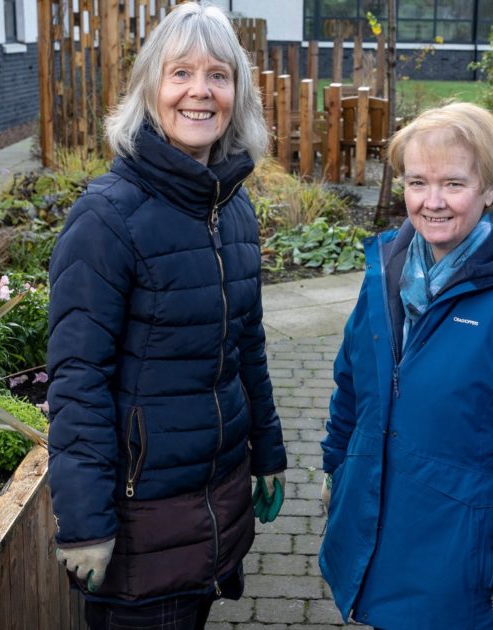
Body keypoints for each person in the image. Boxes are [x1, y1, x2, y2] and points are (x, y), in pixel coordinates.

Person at [45, 4, 287, 629]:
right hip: (139, 526)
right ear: (150, 88)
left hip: (214, 511)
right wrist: (84, 522)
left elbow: (247, 347)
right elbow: (78, 380)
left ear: (238, 93)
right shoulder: (107, 218)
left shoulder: (232, 210)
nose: (199, 91)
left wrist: (267, 451)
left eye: (218, 75)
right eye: (180, 73)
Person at [318, 102, 493, 630]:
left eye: (453, 184)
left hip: (460, 559)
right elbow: (352, 381)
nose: (433, 202)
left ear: (490, 188)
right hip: (382, 533)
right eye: (417, 182)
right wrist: (338, 465)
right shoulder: (389, 267)